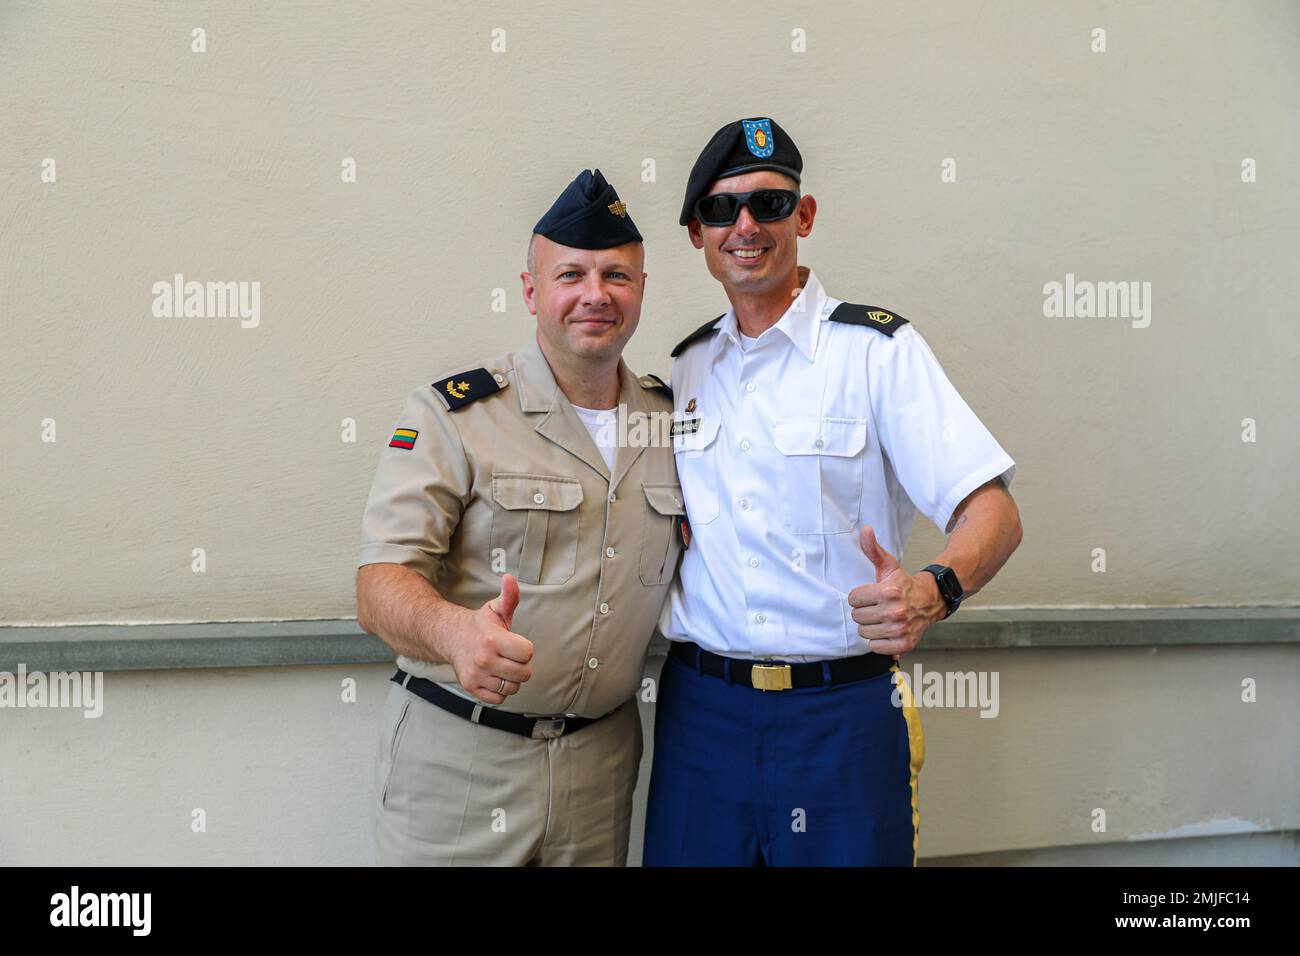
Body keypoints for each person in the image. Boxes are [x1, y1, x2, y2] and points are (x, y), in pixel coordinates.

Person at [642, 117, 1024, 866]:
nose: (745, 226)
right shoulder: (684, 371)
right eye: (721, 210)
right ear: (697, 234)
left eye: (768, 205)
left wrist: (935, 588)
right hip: (701, 716)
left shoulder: (877, 353)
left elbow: (995, 511)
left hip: (840, 713)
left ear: (804, 216)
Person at [356, 168, 682, 865]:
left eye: (616, 276)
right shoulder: (454, 414)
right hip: (461, 765)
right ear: (532, 291)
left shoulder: (675, 421)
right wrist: (453, 633)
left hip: (602, 769)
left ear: (642, 291)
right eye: (571, 275)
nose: (595, 295)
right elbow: (380, 581)